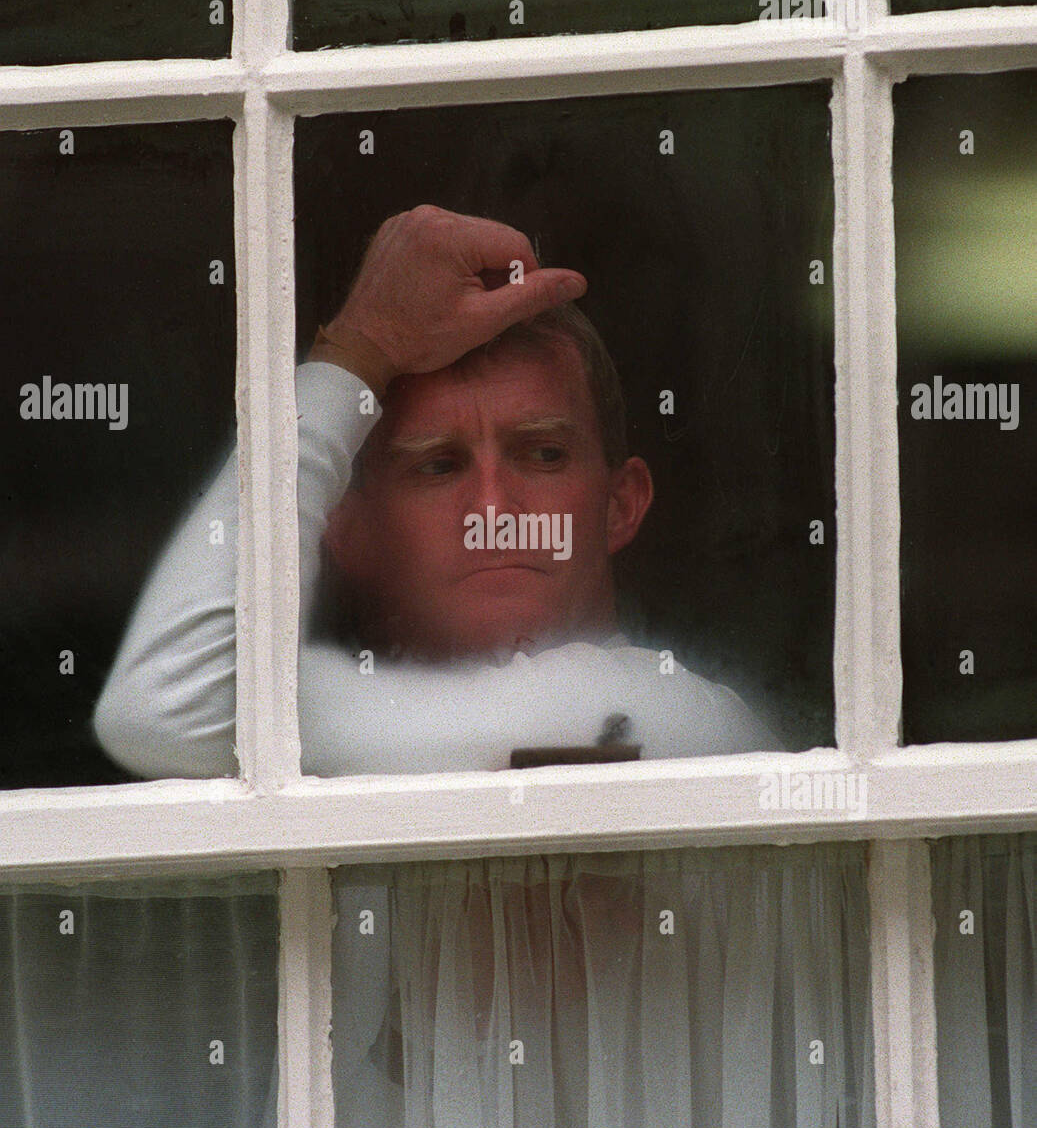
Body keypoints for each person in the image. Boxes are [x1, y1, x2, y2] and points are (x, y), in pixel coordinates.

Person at [93, 205, 778, 778]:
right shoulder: (357, 734)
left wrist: (357, 348)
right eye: (437, 466)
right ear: (346, 529)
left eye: (541, 455)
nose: (492, 512)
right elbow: (167, 708)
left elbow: (166, 707)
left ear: (619, 504)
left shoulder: (677, 715)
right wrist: (362, 353)